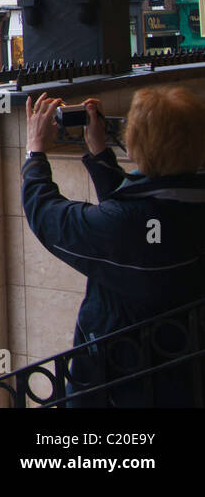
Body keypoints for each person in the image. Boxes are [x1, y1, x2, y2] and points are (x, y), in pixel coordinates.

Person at [23, 89, 205, 406]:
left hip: (122, 385)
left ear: (134, 144)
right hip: (187, 373)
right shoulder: (184, 206)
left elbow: (49, 218)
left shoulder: (128, 224)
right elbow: (146, 222)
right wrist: (99, 154)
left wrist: (35, 152)